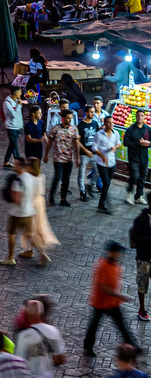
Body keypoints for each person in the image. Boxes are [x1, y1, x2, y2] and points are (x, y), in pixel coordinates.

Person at [14, 298, 65, 378]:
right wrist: (45, 359)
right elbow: (61, 359)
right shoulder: (53, 331)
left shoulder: (24, 336)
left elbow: (19, 365)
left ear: (28, 314)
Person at [84, 240, 138, 356]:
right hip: (101, 303)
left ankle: (133, 346)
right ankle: (88, 347)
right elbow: (103, 287)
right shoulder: (103, 266)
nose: (120, 254)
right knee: (94, 326)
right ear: (111, 252)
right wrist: (120, 295)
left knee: (121, 325)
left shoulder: (115, 265)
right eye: (117, 252)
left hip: (112, 303)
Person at [0, 159, 36, 266]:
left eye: (16, 165)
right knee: (29, 233)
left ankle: (10, 257)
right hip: (30, 210)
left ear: (20, 166)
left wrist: (10, 192)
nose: (14, 166)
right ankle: (32, 252)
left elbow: (16, 200)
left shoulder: (17, 181)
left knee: (11, 233)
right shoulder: (31, 177)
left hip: (18, 212)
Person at [43, 108, 81, 207]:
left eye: (71, 118)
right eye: (68, 118)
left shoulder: (74, 129)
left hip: (69, 158)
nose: (69, 120)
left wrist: (77, 158)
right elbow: (50, 143)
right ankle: (51, 195)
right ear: (63, 118)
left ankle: (63, 199)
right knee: (58, 176)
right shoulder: (55, 129)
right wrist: (46, 155)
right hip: (58, 157)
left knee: (66, 178)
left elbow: (76, 144)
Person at [129, 192, 151, 322]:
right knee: (142, 284)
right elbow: (133, 241)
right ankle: (142, 309)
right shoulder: (141, 219)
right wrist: (148, 239)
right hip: (143, 257)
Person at [93, 115, 121, 214]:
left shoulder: (116, 133)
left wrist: (115, 147)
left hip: (112, 162)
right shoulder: (99, 134)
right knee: (107, 183)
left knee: (107, 184)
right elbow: (94, 147)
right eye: (109, 123)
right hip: (101, 163)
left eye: (112, 122)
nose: (111, 124)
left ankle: (101, 203)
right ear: (105, 124)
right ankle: (104, 203)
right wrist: (102, 156)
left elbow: (118, 143)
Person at [123, 110, 151, 205]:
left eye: (142, 116)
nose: (140, 117)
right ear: (136, 116)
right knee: (134, 176)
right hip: (133, 157)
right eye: (138, 115)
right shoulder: (130, 129)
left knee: (142, 177)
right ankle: (130, 192)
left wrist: (148, 143)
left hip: (144, 157)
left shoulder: (147, 129)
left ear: (144, 117)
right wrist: (138, 143)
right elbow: (125, 142)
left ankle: (138, 196)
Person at [78, 104, 101, 201]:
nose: (93, 113)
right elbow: (77, 141)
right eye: (91, 112)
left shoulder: (95, 123)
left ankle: (90, 185)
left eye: (93, 112)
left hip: (94, 153)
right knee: (81, 173)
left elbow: (98, 137)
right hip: (84, 154)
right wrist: (86, 151)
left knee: (98, 171)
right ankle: (82, 192)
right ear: (86, 113)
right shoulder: (80, 125)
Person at [2, 87, 24, 167]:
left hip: (18, 126)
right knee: (14, 145)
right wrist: (19, 105)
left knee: (12, 144)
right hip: (11, 127)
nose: (21, 94)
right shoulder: (7, 103)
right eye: (20, 92)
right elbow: (14, 115)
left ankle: (6, 161)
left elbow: (19, 115)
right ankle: (18, 162)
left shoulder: (17, 101)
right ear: (15, 93)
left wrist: (21, 125)